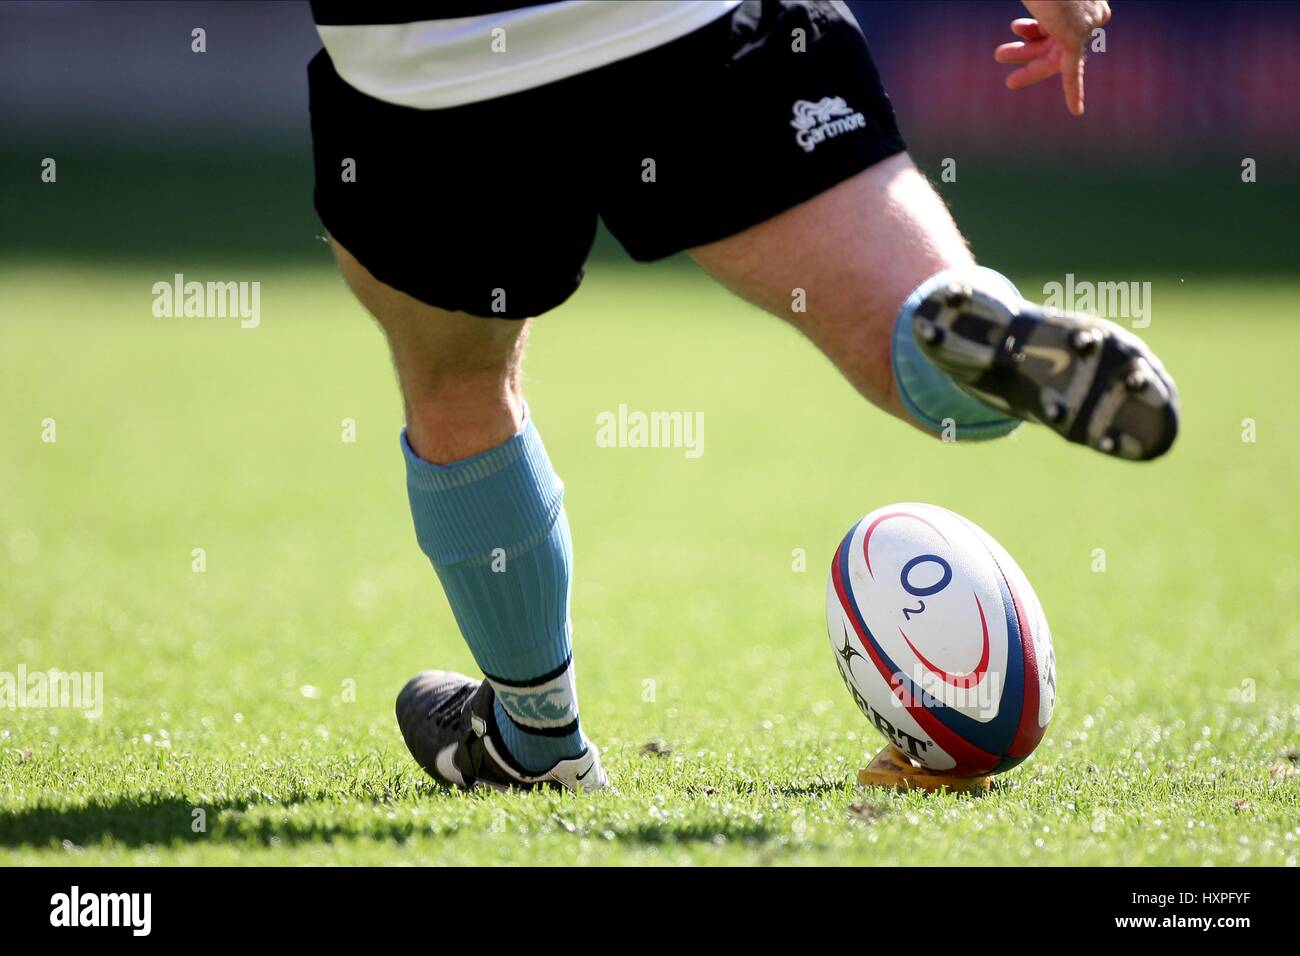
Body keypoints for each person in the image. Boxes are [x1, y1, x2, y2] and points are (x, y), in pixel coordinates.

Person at [306, 0, 1174, 791]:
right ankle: (969, 347)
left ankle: (535, 744)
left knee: (459, 386)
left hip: (430, 62)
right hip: (687, 23)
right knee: (901, 322)